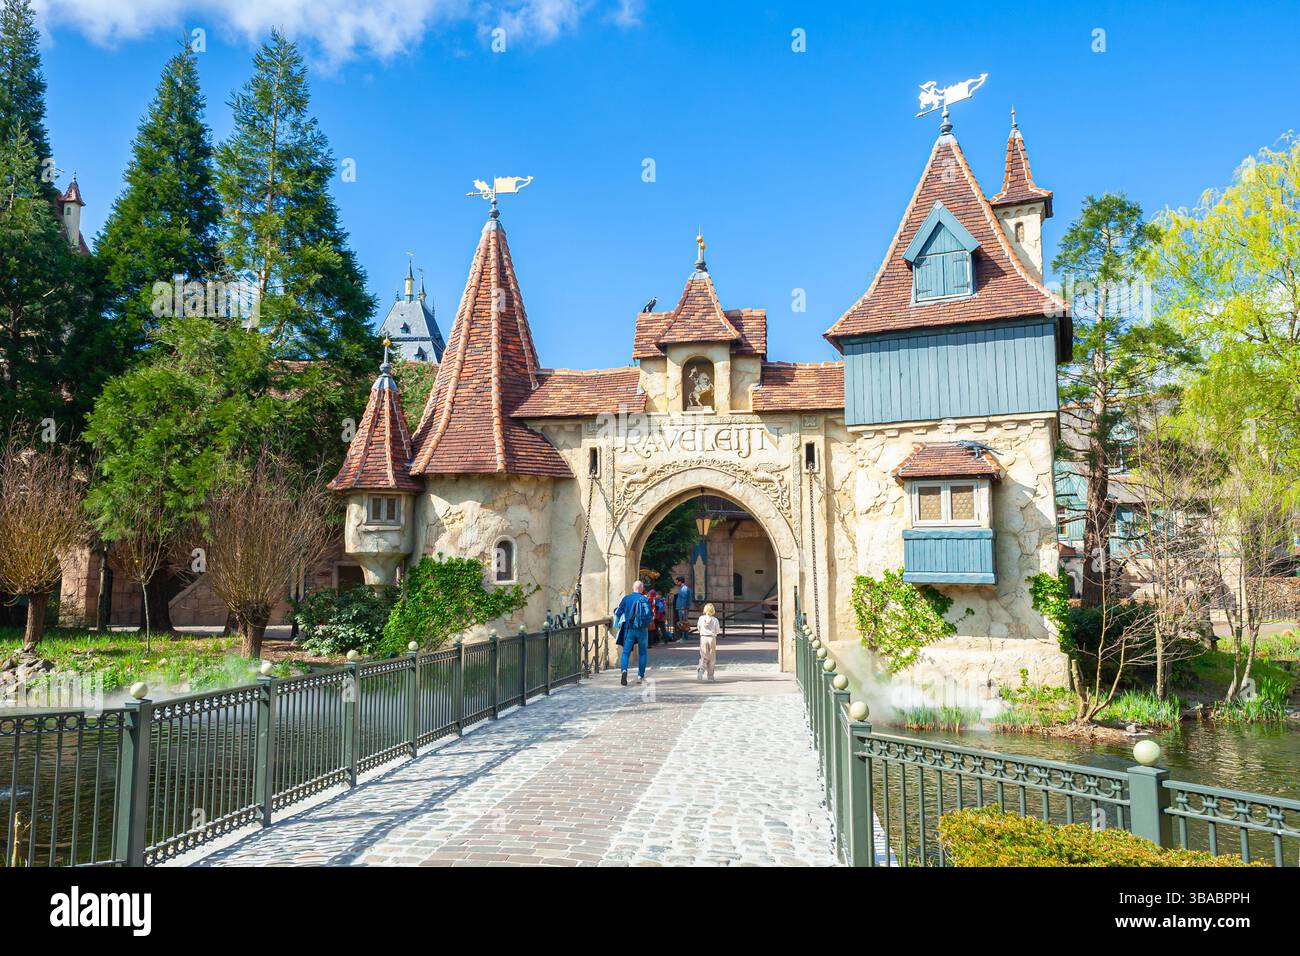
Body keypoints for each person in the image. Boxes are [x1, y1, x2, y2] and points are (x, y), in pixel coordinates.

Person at [615, 580, 654, 686]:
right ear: (641, 589)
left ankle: (624, 671)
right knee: (642, 653)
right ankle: (640, 676)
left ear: (633, 588)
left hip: (629, 629)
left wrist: (617, 624)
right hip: (642, 630)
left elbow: (618, 613)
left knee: (626, 653)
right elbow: (650, 615)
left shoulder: (626, 599)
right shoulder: (645, 599)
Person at [696, 602, 720, 682]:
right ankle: (710, 676)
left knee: (703, 656)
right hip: (712, 638)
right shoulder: (715, 620)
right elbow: (717, 630)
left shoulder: (701, 618)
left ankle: (701, 670)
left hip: (703, 638)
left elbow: (698, 628)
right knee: (712, 657)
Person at [673, 576, 693, 643]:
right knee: (683, 622)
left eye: (677, 581)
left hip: (682, 608)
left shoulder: (684, 589)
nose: (676, 583)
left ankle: (684, 638)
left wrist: (683, 608)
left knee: (683, 623)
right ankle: (685, 637)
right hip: (682, 608)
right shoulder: (684, 588)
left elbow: (684, 599)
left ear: (680, 581)